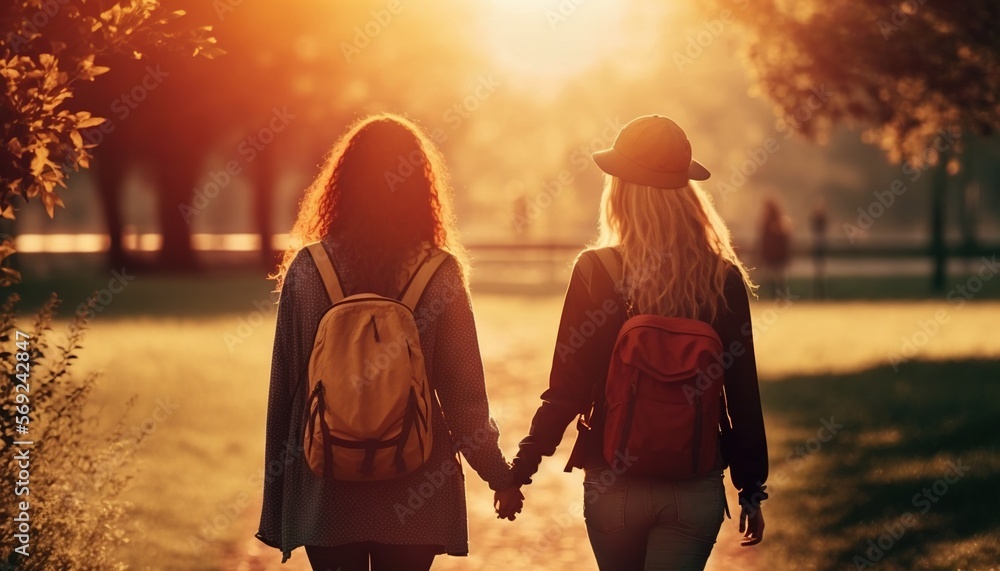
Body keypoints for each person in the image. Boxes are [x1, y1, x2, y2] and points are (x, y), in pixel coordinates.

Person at [257, 113, 523, 571]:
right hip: (415, 492)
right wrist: (501, 477)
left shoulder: (308, 270)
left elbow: (286, 392)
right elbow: (464, 399)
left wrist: (277, 505)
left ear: (342, 184)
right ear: (421, 188)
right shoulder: (439, 274)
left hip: (326, 490)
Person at [503, 115, 769, 571]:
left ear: (621, 189)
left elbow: (567, 389)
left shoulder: (595, 271)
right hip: (694, 484)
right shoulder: (721, 278)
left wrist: (519, 472)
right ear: (687, 192)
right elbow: (742, 393)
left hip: (614, 484)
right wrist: (750, 488)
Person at [758, 197, 792, 297]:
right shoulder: (779, 221)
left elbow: (765, 240)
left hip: (773, 254)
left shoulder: (770, 222)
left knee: (773, 276)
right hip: (776, 254)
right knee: (776, 276)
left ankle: (774, 294)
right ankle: (778, 294)